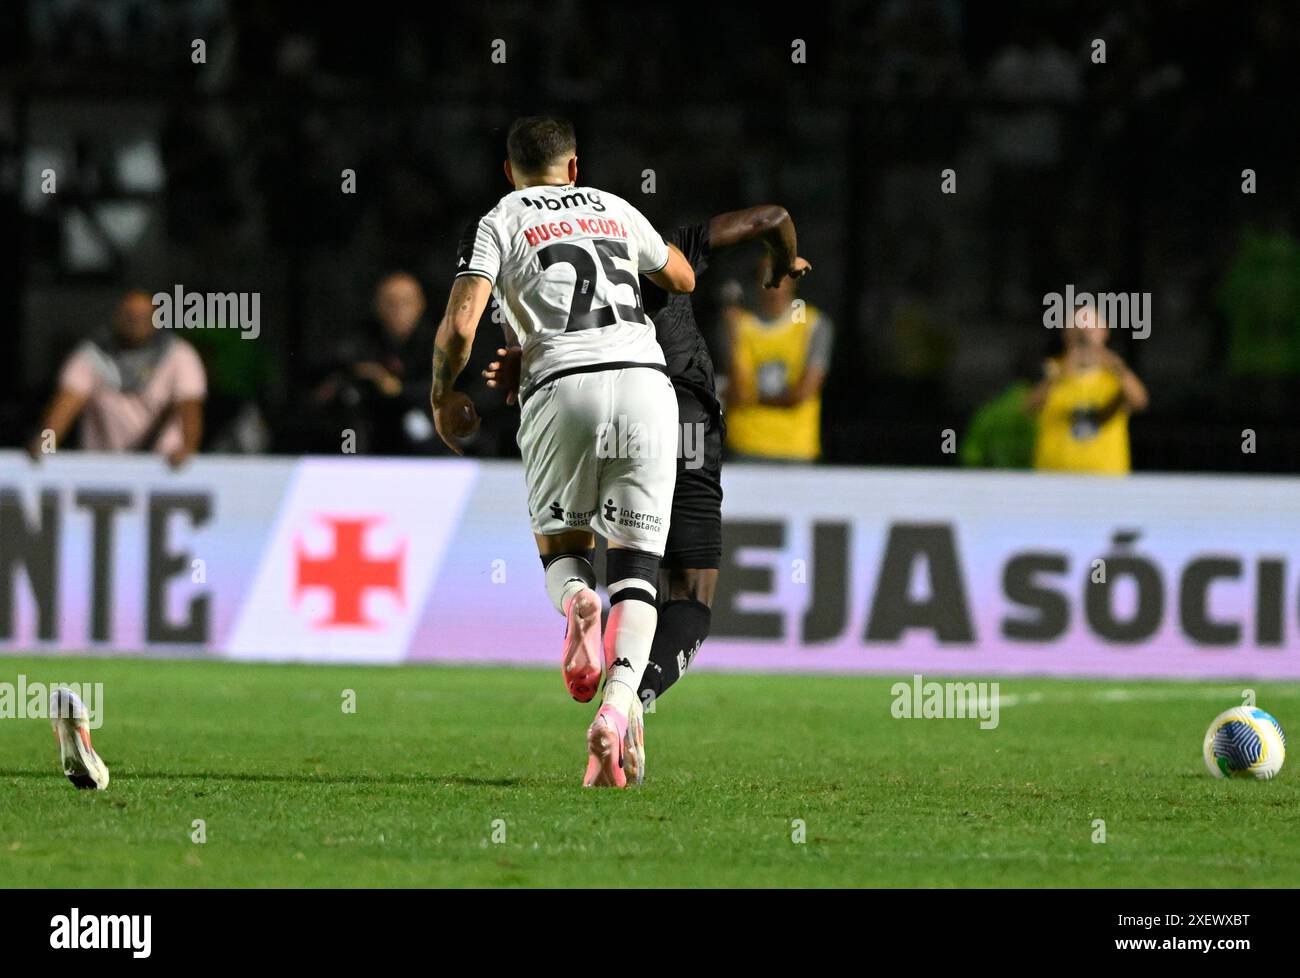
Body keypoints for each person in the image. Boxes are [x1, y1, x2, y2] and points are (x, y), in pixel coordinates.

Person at [484, 207, 811, 756]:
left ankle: (580, 608)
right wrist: (781, 262)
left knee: (592, 559)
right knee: (688, 593)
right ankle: (631, 698)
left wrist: (522, 362)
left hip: (581, 411)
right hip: (673, 417)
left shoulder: (535, 265)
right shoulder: (659, 244)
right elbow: (771, 217)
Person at [430, 116, 695, 788]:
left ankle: (578, 597)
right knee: (640, 569)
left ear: (508, 169)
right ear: (574, 168)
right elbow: (684, 277)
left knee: (566, 550)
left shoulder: (499, 220)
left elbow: (462, 327)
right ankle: (616, 707)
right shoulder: (614, 206)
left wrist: (442, 394)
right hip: (644, 380)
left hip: (561, 386)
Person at [27, 289, 205, 468]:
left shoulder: (179, 354)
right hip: (104, 467)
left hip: (162, 464)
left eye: (144, 316)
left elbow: (189, 407)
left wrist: (187, 448)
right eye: (129, 315)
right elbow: (64, 408)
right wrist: (45, 444)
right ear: (117, 317)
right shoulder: (92, 356)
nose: (136, 322)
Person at [306, 271, 441, 455]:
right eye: (391, 302)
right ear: (377, 305)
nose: (398, 309)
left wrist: (396, 389)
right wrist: (362, 375)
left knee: (417, 424)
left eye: (406, 302)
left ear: (420, 305)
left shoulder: (437, 344)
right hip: (371, 425)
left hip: (417, 421)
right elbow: (332, 369)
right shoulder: (361, 341)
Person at [725, 257, 832, 462]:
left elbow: (804, 391)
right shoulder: (738, 324)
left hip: (796, 448)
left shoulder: (813, 324)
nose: (773, 284)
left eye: (780, 276)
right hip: (745, 444)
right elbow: (738, 390)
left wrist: (754, 399)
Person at [1027, 307, 1148, 475]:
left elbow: (1139, 401)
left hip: (1106, 479)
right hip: (1054, 479)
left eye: (1090, 328)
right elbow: (1029, 407)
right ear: (1065, 333)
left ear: (1104, 332)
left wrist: (1117, 368)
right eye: (1076, 328)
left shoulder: (1115, 375)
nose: (1083, 334)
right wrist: (1060, 375)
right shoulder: (1052, 369)